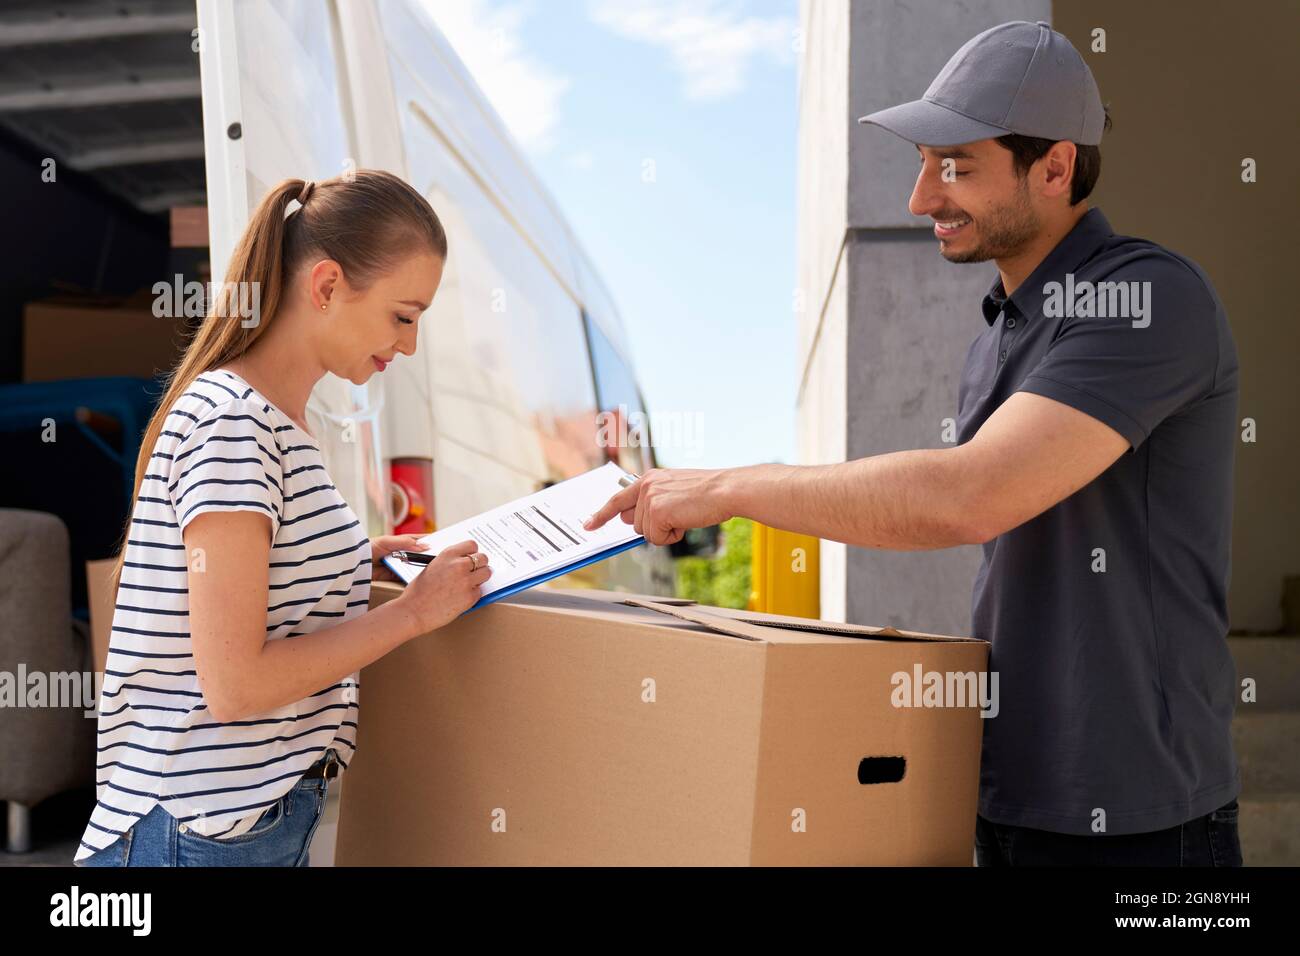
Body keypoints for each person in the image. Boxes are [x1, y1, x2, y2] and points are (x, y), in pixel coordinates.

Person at [585, 21, 1243, 866]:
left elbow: (967, 495)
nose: (922, 197)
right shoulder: (1002, 334)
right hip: (1012, 794)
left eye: (958, 167)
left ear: (1055, 167)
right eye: (926, 164)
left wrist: (727, 488)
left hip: (1146, 822)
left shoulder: (1148, 299)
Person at [75, 170, 491, 866]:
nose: (410, 346)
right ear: (327, 287)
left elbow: (264, 594)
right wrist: (414, 614)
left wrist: (362, 561)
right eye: (403, 315)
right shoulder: (235, 423)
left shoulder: (279, 424)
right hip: (196, 834)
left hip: (233, 828)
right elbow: (236, 683)